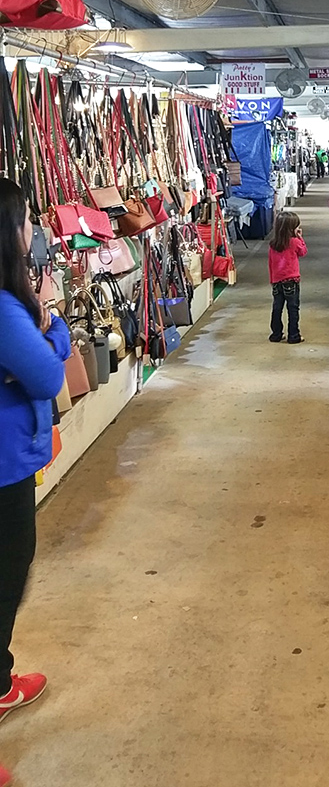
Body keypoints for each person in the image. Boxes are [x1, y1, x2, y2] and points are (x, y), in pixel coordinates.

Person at [0, 179, 71, 783]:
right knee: (6, 570)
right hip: (2, 466)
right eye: (27, 219)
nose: (34, 229)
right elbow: (48, 377)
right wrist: (55, 327)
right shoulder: (2, 307)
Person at [268, 209, 307, 344]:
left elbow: (271, 263)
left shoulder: (273, 244)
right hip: (292, 280)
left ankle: (276, 334)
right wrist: (300, 238)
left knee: (277, 308)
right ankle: (293, 335)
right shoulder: (294, 242)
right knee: (293, 308)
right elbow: (303, 252)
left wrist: (272, 280)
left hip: (277, 281)